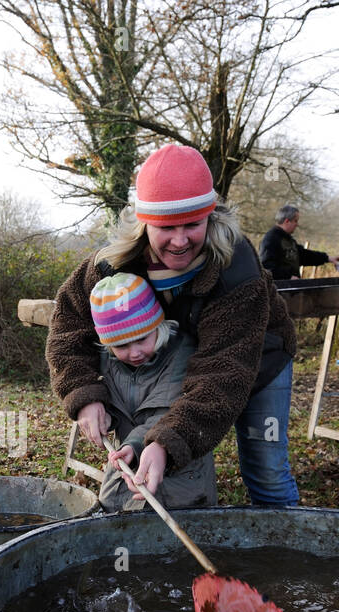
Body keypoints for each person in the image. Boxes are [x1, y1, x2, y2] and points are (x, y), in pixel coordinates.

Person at [47, 143, 300, 507]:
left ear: (210, 218)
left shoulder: (236, 269)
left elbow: (222, 374)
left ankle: (284, 553)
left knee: (267, 471)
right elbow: (68, 326)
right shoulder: (111, 265)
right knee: (163, 450)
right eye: (166, 227)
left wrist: (167, 440)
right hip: (188, 363)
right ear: (144, 222)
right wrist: (83, 392)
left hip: (259, 359)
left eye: (193, 224)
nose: (180, 242)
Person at [88, 272, 216, 511]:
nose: (134, 352)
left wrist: (136, 443)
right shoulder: (107, 362)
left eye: (142, 339)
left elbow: (169, 413)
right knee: (117, 529)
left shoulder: (181, 354)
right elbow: (113, 400)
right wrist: (103, 413)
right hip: (125, 467)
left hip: (182, 476)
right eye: (121, 345)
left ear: (159, 325)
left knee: (178, 535)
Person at [259, 204, 339, 280]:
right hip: (280, 291)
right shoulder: (271, 239)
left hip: (292, 288)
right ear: (287, 221)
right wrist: (287, 277)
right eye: (295, 221)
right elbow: (266, 267)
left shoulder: (289, 240)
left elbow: (304, 255)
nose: (297, 224)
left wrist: (328, 258)